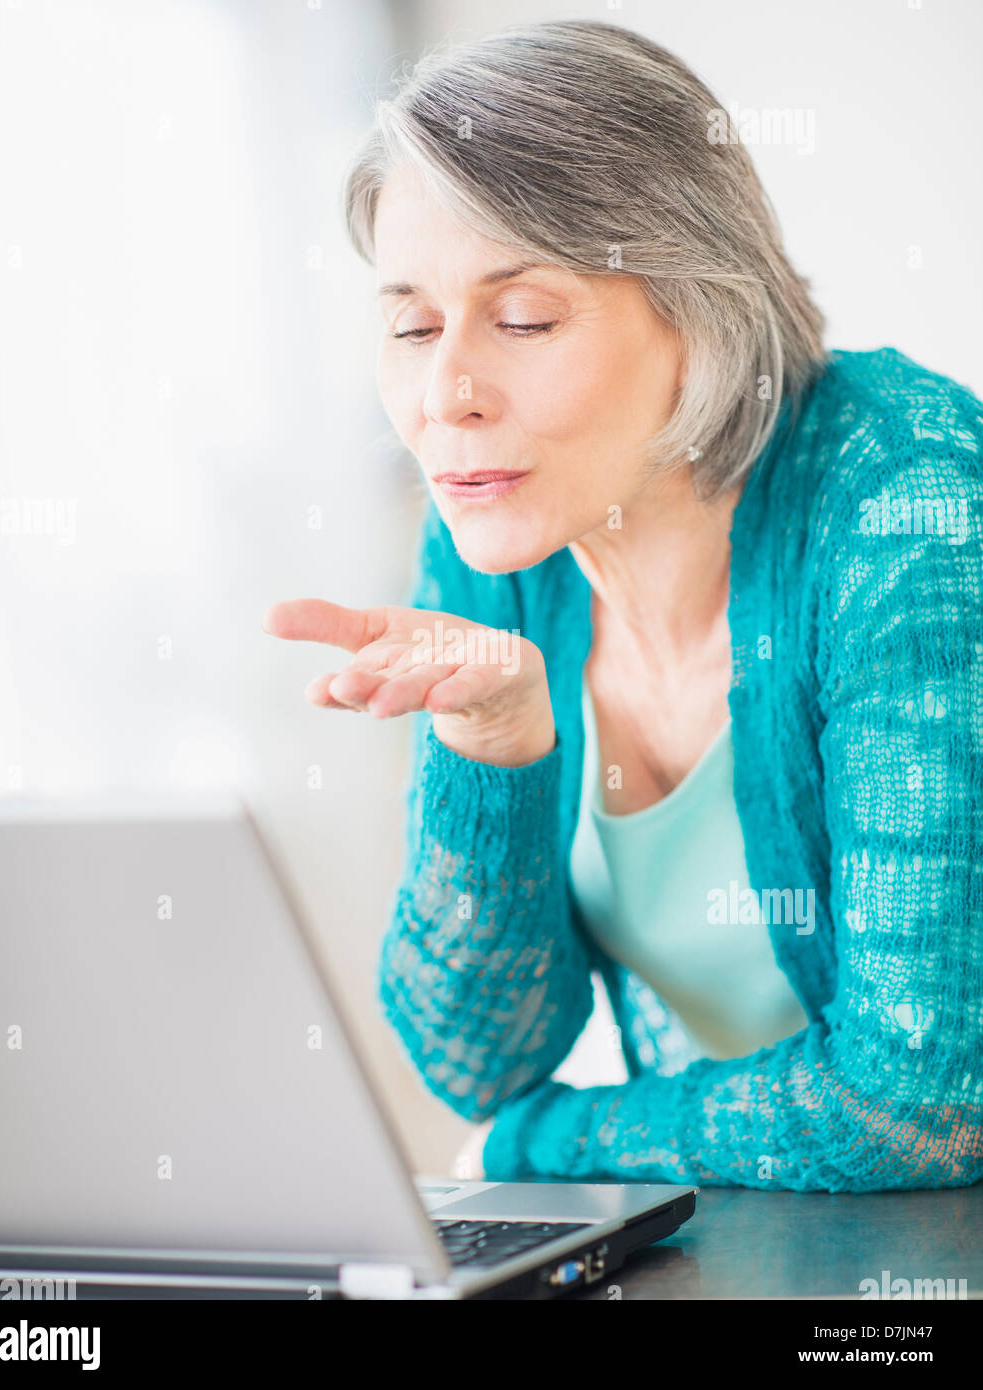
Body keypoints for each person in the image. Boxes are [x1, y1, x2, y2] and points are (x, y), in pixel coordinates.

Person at [264, 21, 983, 1191]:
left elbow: (924, 1099)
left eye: (524, 319)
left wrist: (556, 1146)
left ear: (695, 310)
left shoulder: (901, 491)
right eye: (408, 325)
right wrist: (491, 753)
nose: (444, 392)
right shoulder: (500, 535)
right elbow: (476, 1057)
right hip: (764, 1240)